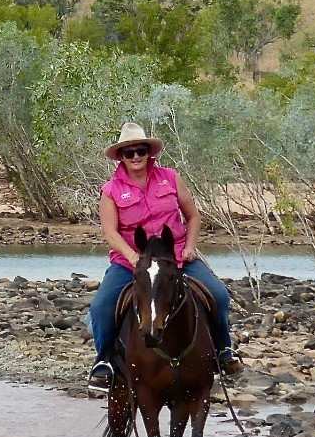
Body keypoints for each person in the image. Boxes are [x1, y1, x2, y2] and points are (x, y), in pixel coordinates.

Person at [86, 123, 241, 390]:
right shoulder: (110, 190)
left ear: (149, 153)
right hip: (132, 262)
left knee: (219, 295)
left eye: (140, 150)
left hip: (177, 257)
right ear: (121, 156)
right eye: (129, 152)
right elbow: (110, 232)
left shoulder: (171, 178)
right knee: (101, 308)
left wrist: (190, 246)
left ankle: (223, 351)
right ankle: (105, 361)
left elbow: (193, 216)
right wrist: (133, 257)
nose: (135, 156)